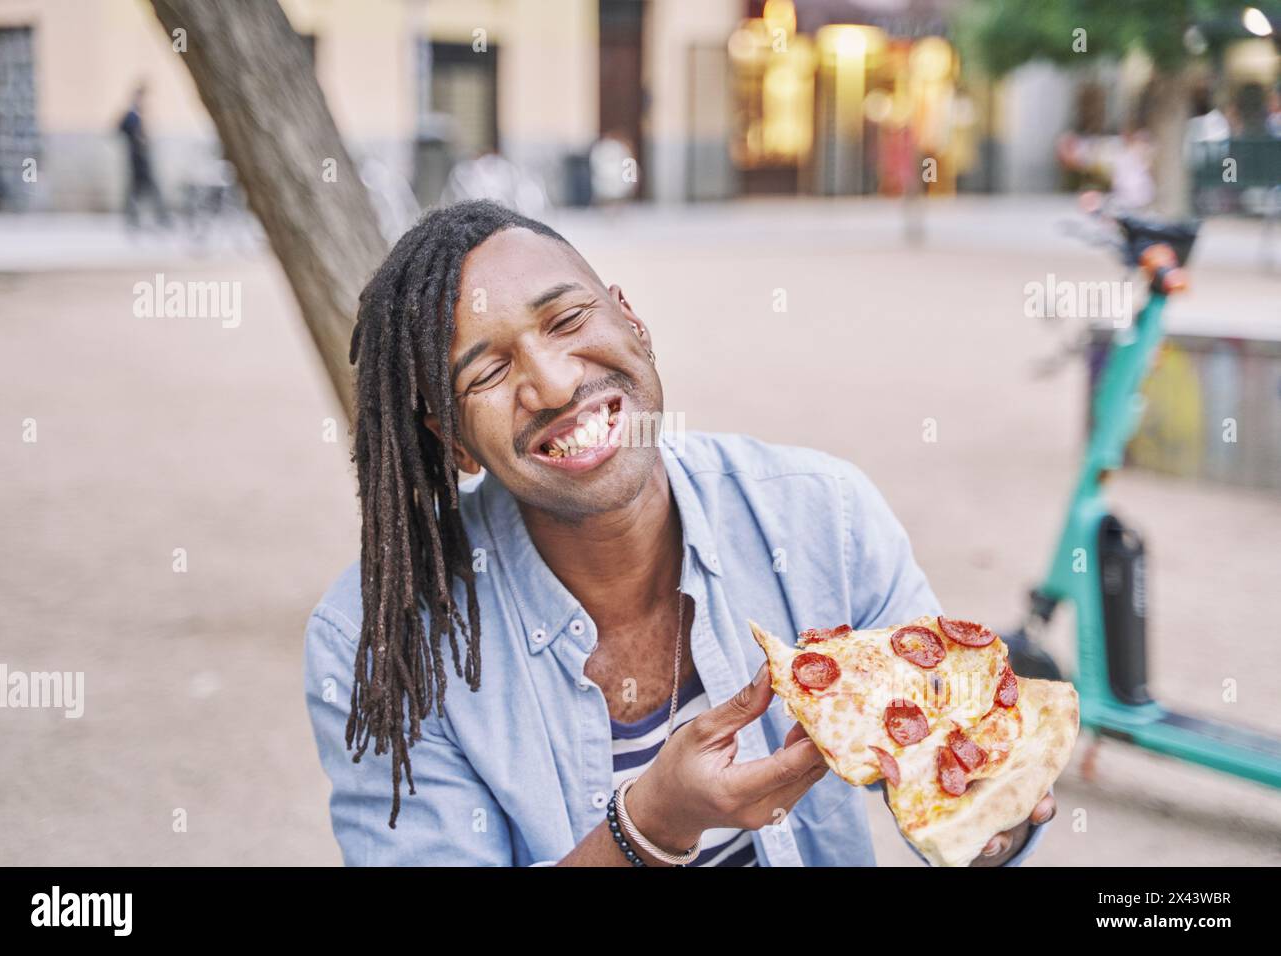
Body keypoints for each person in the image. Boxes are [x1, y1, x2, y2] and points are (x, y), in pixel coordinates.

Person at [303, 200, 1056, 867]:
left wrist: (989, 822)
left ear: (633, 322)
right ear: (454, 440)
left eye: (566, 321)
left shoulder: (825, 518)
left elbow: (949, 780)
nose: (557, 384)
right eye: (488, 372)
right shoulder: (378, 644)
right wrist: (649, 829)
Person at [117, 83, 170, 229]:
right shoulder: (131, 115)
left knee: (144, 189)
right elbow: (120, 129)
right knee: (143, 189)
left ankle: (154, 217)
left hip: (143, 157)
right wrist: (135, 138)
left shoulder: (140, 114)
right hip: (137, 158)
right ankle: (154, 217)